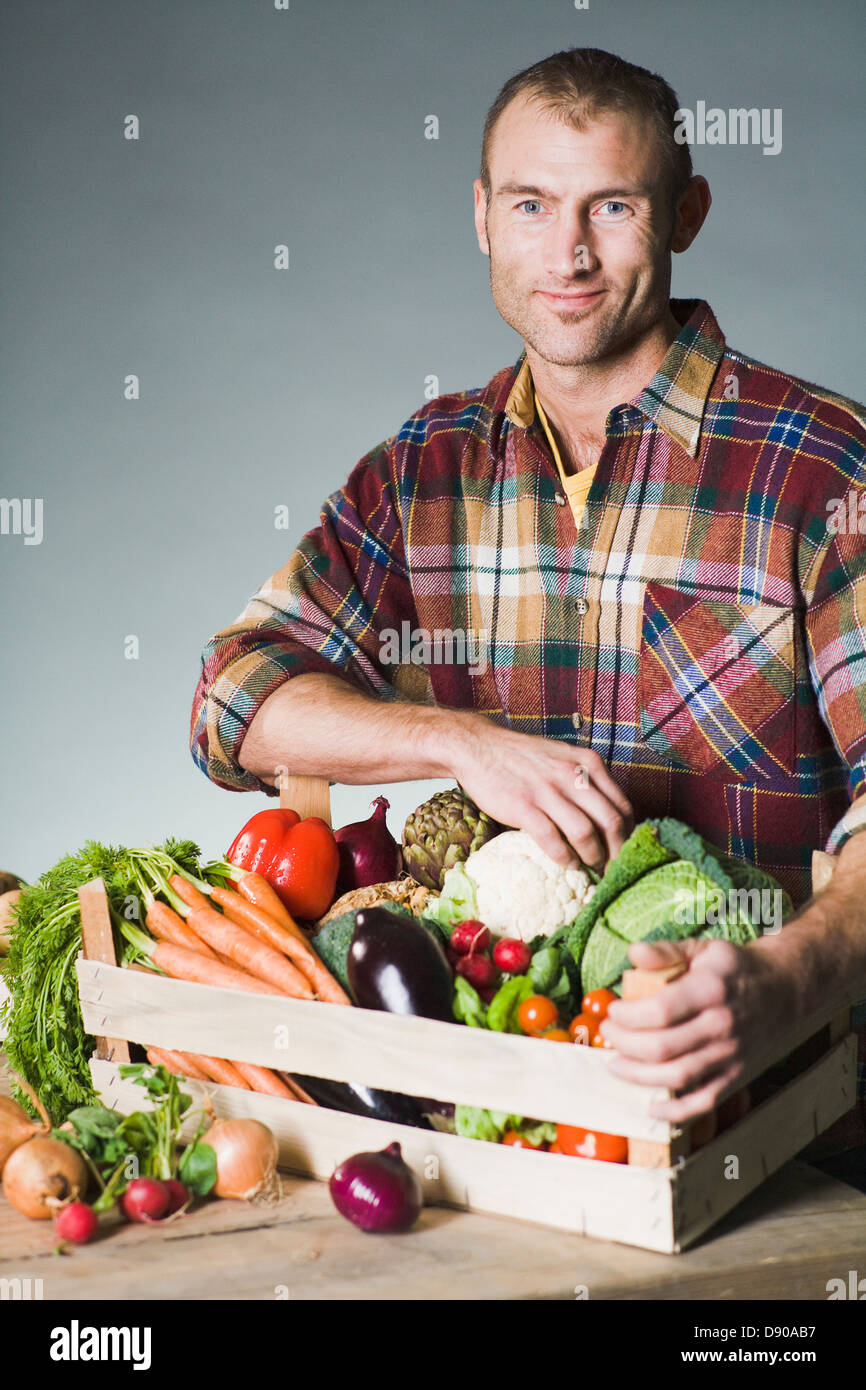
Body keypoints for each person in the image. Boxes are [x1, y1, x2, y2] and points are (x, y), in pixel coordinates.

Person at [190, 48, 866, 1131]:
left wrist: (785, 978)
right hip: (508, 1125)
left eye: (610, 204)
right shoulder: (423, 468)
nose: (568, 251)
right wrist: (460, 744)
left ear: (684, 212)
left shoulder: (822, 469)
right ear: (479, 217)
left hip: (789, 1126)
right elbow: (233, 700)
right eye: (530, 204)